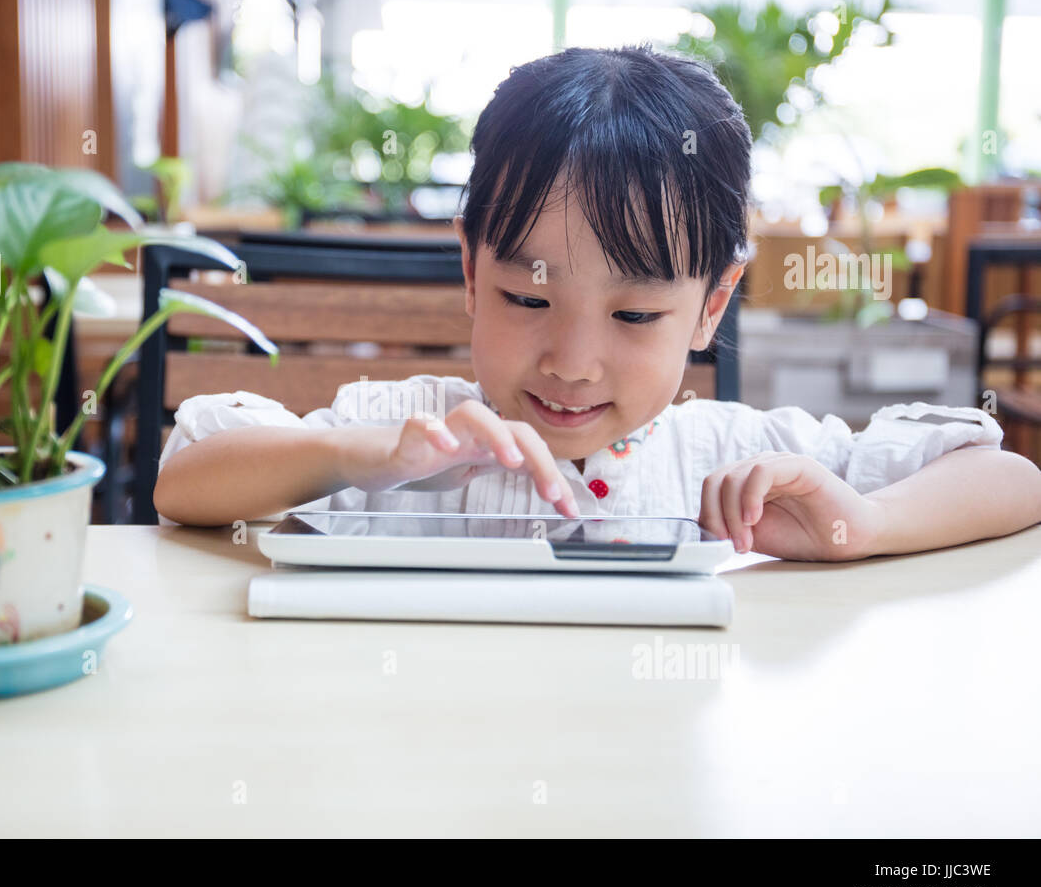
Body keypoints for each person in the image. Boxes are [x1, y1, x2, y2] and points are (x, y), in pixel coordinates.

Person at [153, 45, 1041, 561]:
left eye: (634, 316)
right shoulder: (403, 438)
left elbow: (1010, 478)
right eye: (525, 298)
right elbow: (185, 479)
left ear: (711, 306)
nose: (572, 363)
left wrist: (866, 522)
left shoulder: (733, 458)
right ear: (470, 274)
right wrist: (352, 457)